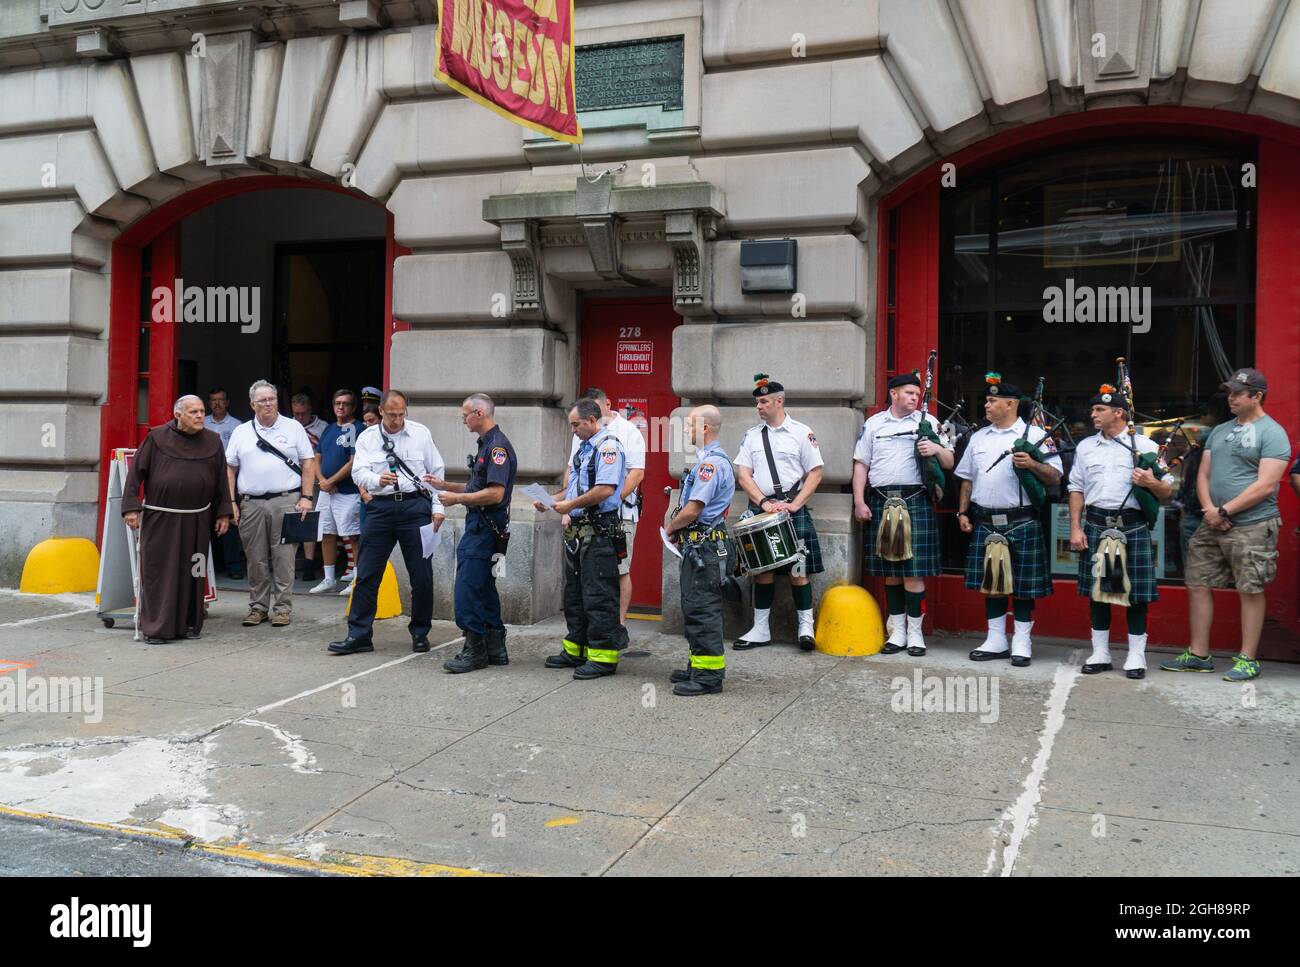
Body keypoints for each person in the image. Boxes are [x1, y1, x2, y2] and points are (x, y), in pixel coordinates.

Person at [1162, 368, 1290, 682]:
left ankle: (1248, 659)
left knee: (1250, 588)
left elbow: (1266, 486)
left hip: (1253, 524)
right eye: (1229, 393)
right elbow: (1203, 475)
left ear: (1256, 396)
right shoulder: (1219, 431)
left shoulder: (1272, 432)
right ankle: (1199, 653)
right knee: (1198, 583)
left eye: (1237, 393)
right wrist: (1209, 510)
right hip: (1212, 520)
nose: (1230, 398)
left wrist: (1224, 510)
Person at [955, 374, 1062, 667]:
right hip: (986, 520)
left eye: (992, 401)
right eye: (987, 401)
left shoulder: (1035, 434)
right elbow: (966, 479)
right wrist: (963, 512)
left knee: (1024, 586)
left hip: (1022, 520)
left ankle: (1022, 641)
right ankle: (996, 638)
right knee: (993, 582)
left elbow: (1055, 476)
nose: (986, 405)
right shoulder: (978, 437)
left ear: (1010, 404)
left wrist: (1033, 464)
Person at [1068, 383, 1173, 680]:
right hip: (1097, 524)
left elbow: (1167, 489)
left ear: (1119, 413)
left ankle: (1136, 656)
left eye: (1099, 410)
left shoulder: (1146, 447)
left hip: (1132, 526)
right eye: (1093, 409)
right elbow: (1076, 488)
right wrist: (1076, 527)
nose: (1093, 414)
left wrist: (1150, 482)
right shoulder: (1085, 446)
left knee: (1135, 596)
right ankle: (1100, 653)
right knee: (1098, 593)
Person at [329, 390, 446, 656]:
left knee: (421, 575)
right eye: (391, 414)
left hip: (415, 506)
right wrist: (376, 480)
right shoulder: (368, 437)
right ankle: (358, 634)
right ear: (381, 411)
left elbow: (436, 472)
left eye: (401, 413)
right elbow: (358, 472)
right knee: (368, 573)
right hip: (380, 508)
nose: (397, 419)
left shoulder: (420, 433)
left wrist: (438, 507)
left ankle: (420, 632)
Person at [853, 372, 955, 657]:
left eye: (917, 393)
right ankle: (896, 633)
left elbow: (949, 461)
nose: (915, 397)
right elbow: (861, 464)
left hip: (915, 501)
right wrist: (860, 501)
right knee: (891, 574)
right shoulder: (874, 424)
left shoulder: (929, 423)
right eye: (909, 392)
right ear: (894, 394)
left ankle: (915, 633)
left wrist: (935, 447)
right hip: (882, 502)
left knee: (913, 575)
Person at [533, 398, 630, 679]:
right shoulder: (583, 449)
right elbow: (574, 488)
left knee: (599, 595)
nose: (573, 430)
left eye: (576, 424)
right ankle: (576, 648)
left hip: (599, 532)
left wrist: (571, 506)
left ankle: (603, 657)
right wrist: (551, 500)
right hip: (579, 532)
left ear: (591, 421)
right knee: (575, 594)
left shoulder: (608, 447)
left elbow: (605, 489)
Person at [122, 395, 232, 643]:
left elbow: (221, 481)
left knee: (193, 571)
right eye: (193, 412)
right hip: (161, 519)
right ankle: (157, 628)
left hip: (197, 520)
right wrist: (130, 508)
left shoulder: (213, 441)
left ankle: (189, 623)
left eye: (202, 411)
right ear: (178, 414)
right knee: (160, 572)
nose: (200, 416)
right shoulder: (157, 437)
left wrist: (224, 512)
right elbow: (135, 473)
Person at [733, 374, 825, 650]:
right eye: (757, 402)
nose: (758, 407)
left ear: (779, 401)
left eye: (763, 402)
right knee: (763, 570)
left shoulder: (801, 432)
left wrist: (796, 504)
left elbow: (816, 472)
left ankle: (805, 628)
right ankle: (760, 629)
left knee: (799, 570)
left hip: (791, 509)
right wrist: (762, 502)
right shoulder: (751, 436)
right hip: (762, 510)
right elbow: (743, 475)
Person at [431, 394, 518, 674]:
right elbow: (476, 486)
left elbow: (495, 493)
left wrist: (455, 501)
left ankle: (474, 649)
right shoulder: (487, 445)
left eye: (466, 414)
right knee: (483, 587)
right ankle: (495, 647)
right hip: (486, 526)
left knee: (467, 587)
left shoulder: (496, 447)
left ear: (479, 413)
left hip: (484, 528)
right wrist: (445, 485)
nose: (463, 419)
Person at [225, 380, 316, 628]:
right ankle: (258, 607)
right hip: (250, 502)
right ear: (252, 404)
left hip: (286, 499)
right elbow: (230, 468)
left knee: (284, 557)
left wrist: (306, 497)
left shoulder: (293, 427)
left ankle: (282, 608)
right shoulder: (241, 431)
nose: (268, 403)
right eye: (262, 400)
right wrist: (231, 501)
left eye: (272, 399)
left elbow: (309, 462)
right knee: (255, 558)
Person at [664, 405, 735, 696]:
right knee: (694, 606)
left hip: (704, 547)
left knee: (703, 609)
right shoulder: (707, 461)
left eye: (689, 425)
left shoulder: (711, 465)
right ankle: (698, 665)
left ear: (705, 428)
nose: (685, 430)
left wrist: (669, 528)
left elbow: (694, 509)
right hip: (701, 547)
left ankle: (708, 677)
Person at [562, 388, 646, 623]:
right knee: (585, 573)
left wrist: (609, 503)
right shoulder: (581, 433)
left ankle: (616, 624)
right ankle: (592, 627)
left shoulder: (628, 432)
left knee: (619, 570)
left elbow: (636, 473)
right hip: (583, 517)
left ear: (606, 404)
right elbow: (573, 471)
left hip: (619, 514)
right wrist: (568, 507)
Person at [309, 389, 366, 596]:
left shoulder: (357, 429)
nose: (341, 407)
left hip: (348, 491)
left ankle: (357, 579)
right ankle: (329, 578)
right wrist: (323, 481)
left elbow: (354, 461)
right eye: (337, 403)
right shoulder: (329, 428)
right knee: (326, 533)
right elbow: (316, 457)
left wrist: (332, 480)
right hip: (326, 491)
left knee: (351, 536)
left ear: (353, 407)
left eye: (346, 404)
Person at [205, 387, 244, 579]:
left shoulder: (238, 425)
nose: (217, 403)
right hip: (204, 481)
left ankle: (234, 567)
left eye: (221, 400)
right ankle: (213, 565)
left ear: (227, 402)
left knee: (229, 522)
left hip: (228, 481)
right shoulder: (202, 423)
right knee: (206, 523)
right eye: (213, 400)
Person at [291, 392, 328, 582]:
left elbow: (325, 456)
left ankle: (309, 563)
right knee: (290, 520)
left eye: (302, 414)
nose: (299, 418)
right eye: (295, 414)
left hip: (313, 480)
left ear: (310, 410)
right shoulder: (287, 426)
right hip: (290, 479)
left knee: (309, 519)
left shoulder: (323, 428)